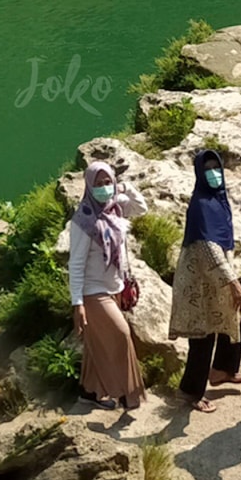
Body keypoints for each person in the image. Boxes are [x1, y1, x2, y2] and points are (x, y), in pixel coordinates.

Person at [66, 159, 148, 414]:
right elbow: (76, 265)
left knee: (96, 344)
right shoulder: (83, 222)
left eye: (107, 182)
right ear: (88, 186)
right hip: (93, 292)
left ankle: (89, 392)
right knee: (122, 335)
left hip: (114, 287)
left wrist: (123, 187)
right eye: (98, 184)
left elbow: (141, 208)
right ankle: (128, 396)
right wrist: (77, 303)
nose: (103, 188)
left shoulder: (115, 208)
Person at [169, 148, 241, 413]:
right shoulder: (201, 203)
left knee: (235, 315)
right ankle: (190, 392)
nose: (214, 174)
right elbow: (207, 248)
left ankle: (222, 370)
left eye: (217, 168)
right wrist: (233, 282)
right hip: (200, 281)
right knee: (203, 337)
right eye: (208, 169)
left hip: (219, 274)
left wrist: (230, 278)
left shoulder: (219, 199)